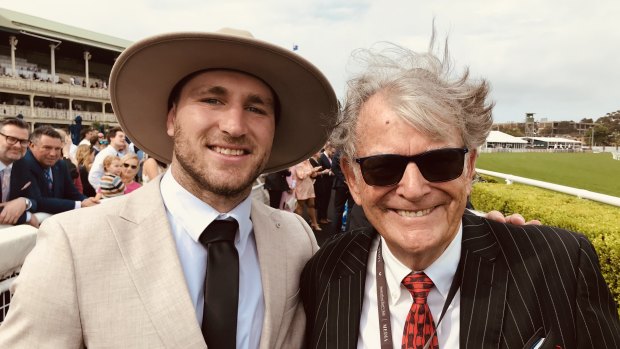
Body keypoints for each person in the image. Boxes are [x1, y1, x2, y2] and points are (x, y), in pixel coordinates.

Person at [0, 28, 338, 348]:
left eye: (255, 108)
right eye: (212, 101)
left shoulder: (295, 239)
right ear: (172, 119)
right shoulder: (73, 244)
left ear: (274, 130)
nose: (235, 126)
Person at [300, 40, 620, 348]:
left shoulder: (559, 265)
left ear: (469, 168)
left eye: (440, 162)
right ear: (353, 179)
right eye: (383, 167)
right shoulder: (324, 271)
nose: (413, 189)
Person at [20, 126, 99, 214]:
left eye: (57, 149)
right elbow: (38, 202)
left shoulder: (60, 164)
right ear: (31, 145)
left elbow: (72, 193)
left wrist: (87, 200)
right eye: (47, 148)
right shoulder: (22, 165)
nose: (53, 154)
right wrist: (79, 204)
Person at [0, 117, 38, 228]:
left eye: (23, 141)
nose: (17, 146)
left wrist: (24, 202)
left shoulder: (24, 165)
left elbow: (35, 200)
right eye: (11, 139)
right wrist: (27, 217)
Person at [292, 158, 322, 231]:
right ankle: (298, 225)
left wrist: (315, 171)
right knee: (300, 207)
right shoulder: (298, 163)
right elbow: (301, 176)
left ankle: (314, 223)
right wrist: (312, 170)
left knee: (312, 205)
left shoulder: (308, 161)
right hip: (301, 187)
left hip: (309, 186)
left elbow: (313, 175)